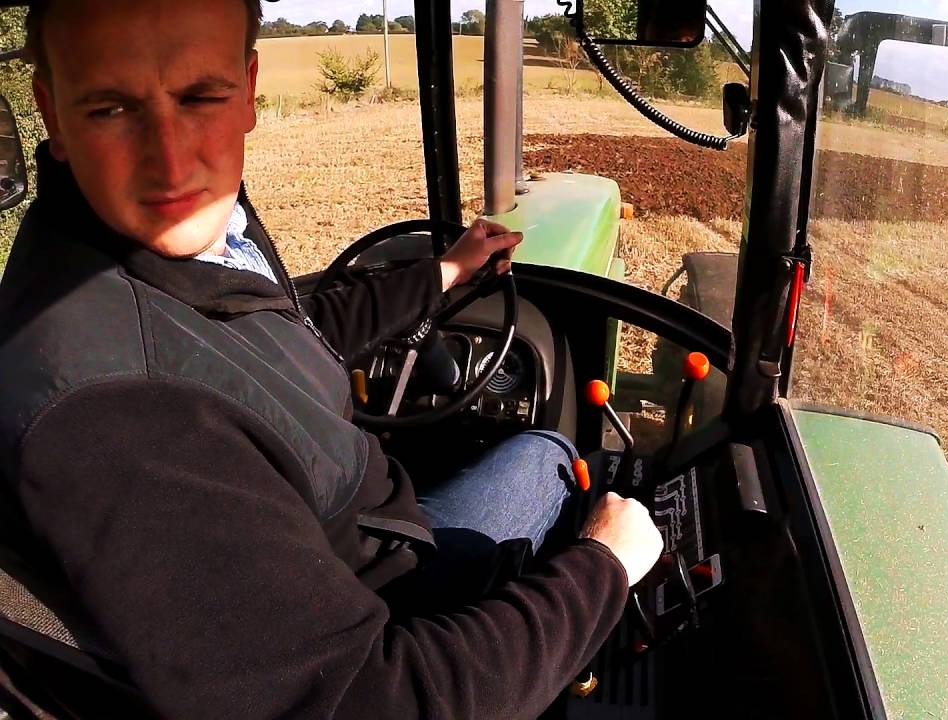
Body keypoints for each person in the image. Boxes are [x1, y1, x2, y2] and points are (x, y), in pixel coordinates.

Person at [0, 0, 662, 717]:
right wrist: (603, 569)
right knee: (549, 455)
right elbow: (368, 701)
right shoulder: (118, 416)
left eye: (201, 97)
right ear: (52, 114)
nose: (170, 156)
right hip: (385, 611)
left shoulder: (178, 234)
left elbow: (284, 332)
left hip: (369, 539)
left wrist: (444, 273)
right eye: (111, 108)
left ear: (249, 89)